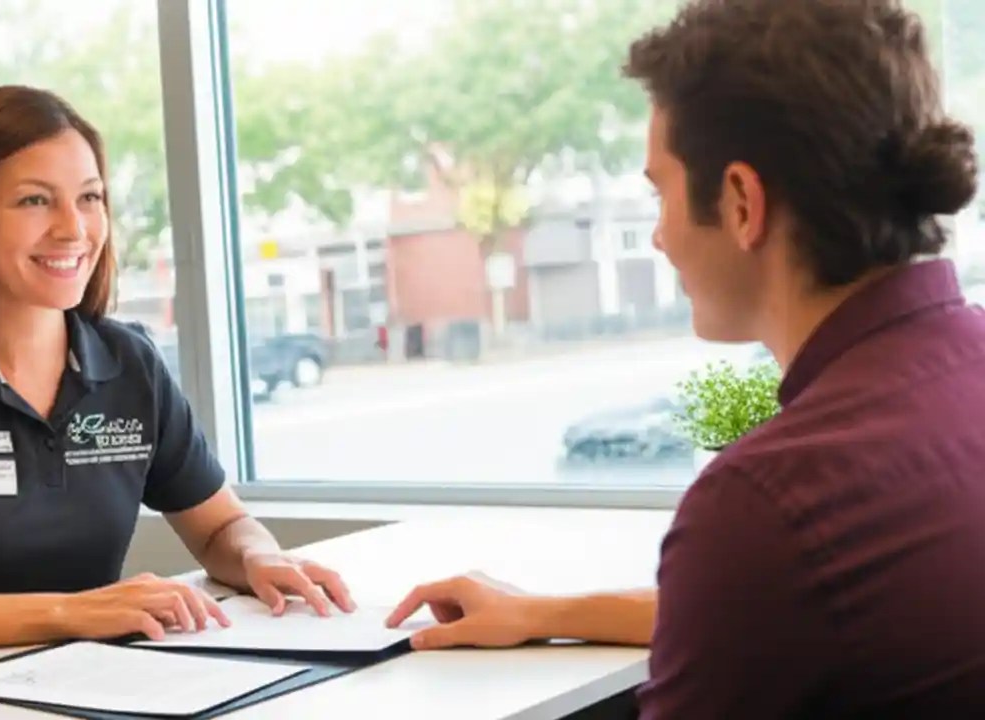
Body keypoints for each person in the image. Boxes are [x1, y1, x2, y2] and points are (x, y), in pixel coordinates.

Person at [388, 0, 985, 716]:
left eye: (659, 192)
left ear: (740, 202)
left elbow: (773, 571)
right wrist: (543, 613)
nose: (659, 237)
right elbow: (807, 601)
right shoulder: (952, 391)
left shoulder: (767, 505)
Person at [0, 85, 354, 663]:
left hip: (84, 681)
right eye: (35, 201)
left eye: (90, 198)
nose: (74, 228)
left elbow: (221, 527)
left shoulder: (129, 363)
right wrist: (70, 613)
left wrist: (257, 557)